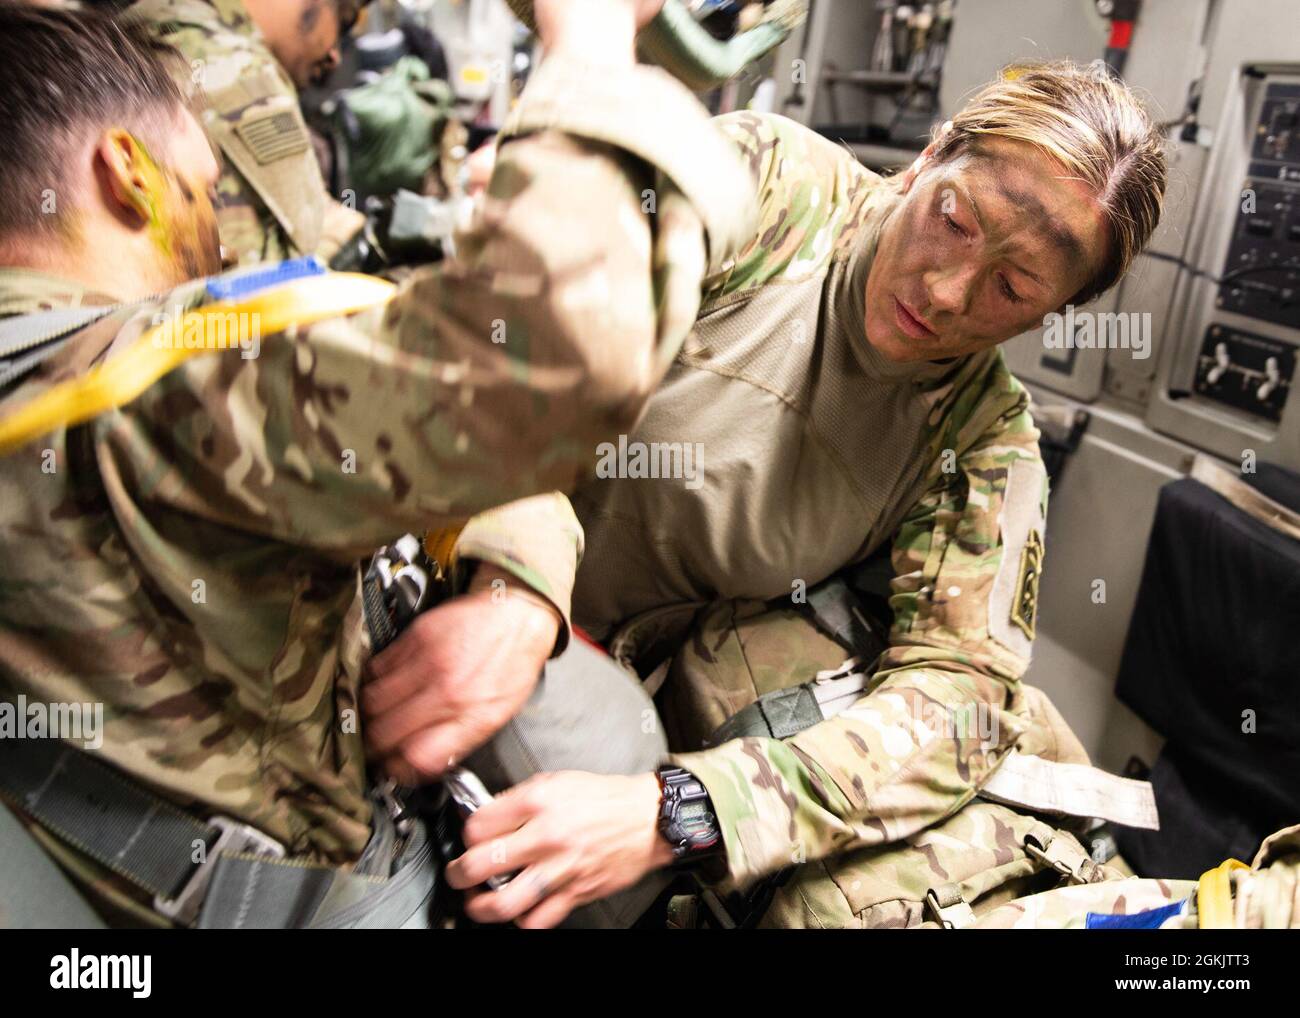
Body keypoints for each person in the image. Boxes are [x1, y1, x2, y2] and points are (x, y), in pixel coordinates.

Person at [0, 0, 753, 927]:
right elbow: (557, 354)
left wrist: (513, 580)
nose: (212, 243)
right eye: (201, 189)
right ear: (127, 174)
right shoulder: (155, 379)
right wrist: (590, 44)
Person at [375, 62, 1178, 927]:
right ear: (931, 153)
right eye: (954, 220)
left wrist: (694, 810)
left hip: (595, 688)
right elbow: (531, 334)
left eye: (1012, 288)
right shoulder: (766, 186)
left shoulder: (980, 439)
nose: (948, 290)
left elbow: (962, 704)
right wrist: (519, 577)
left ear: (1048, 316)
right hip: (434, 539)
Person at [119, 0, 370, 266]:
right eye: (343, 20)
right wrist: (362, 236)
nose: (335, 56)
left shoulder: (150, 30)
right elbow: (294, 259)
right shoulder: (229, 62)